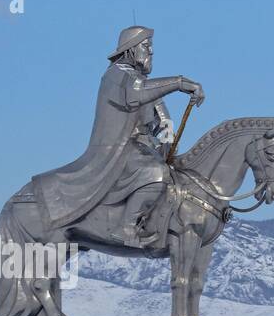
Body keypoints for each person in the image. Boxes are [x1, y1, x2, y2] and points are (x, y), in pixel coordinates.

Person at [31, 26, 204, 246]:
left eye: (151, 48)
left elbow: (164, 121)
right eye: (146, 47)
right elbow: (136, 94)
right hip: (118, 150)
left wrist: (169, 143)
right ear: (131, 50)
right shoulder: (117, 76)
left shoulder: (145, 84)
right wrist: (180, 83)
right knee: (156, 172)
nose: (151, 53)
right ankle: (127, 228)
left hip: (144, 150)